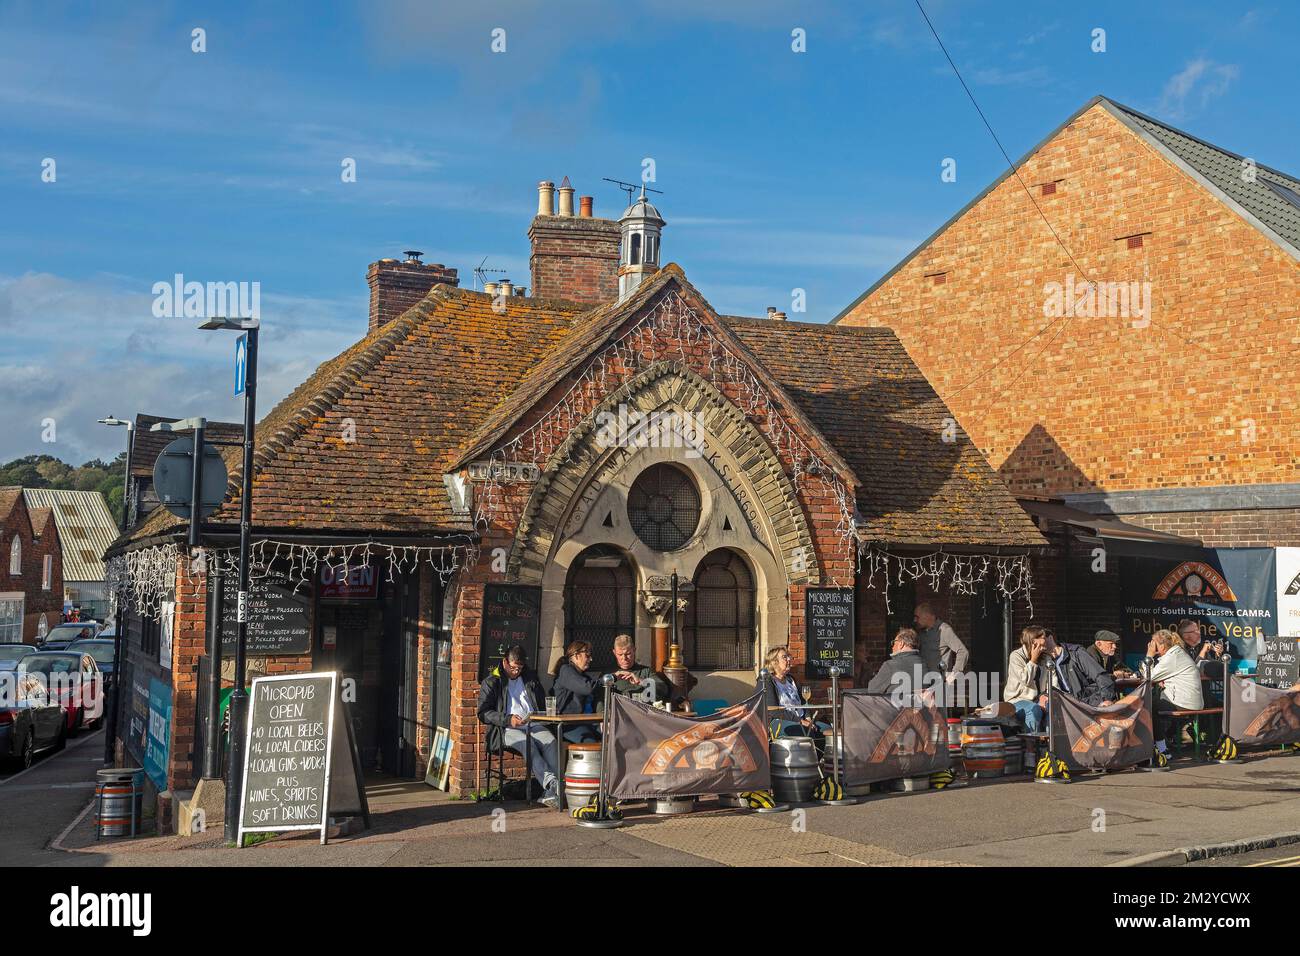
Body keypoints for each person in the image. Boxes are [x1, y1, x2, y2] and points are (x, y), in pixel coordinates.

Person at [476, 644, 560, 807]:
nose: (516, 672)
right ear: (505, 662)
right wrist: (508, 719)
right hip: (506, 728)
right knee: (528, 745)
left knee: (551, 741)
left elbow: (541, 701)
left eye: (520, 668)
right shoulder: (492, 681)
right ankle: (552, 784)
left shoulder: (529, 678)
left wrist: (546, 712)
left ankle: (552, 793)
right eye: (514, 668)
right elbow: (483, 713)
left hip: (532, 723)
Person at [1004, 626, 1116, 733]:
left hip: (1083, 701)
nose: (1043, 646)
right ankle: (1032, 749)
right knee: (1034, 710)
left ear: (1051, 638)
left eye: (1044, 640)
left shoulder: (1074, 654)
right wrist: (1033, 660)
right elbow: (1026, 680)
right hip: (1019, 700)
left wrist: (1105, 699)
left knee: (1052, 708)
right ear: (1032, 642)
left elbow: (1053, 683)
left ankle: (1049, 745)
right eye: (1040, 641)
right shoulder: (1018, 656)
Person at [1143, 628, 1204, 757]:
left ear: (1162, 645)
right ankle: (1162, 741)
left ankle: (1162, 749)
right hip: (1190, 701)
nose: (1151, 646)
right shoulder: (1177, 653)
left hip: (1185, 702)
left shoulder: (1172, 657)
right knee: (1154, 700)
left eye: (1153, 643)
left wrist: (1149, 655)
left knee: (1147, 706)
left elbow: (1148, 677)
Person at [758, 645, 830, 745]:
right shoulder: (767, 681)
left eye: (788, 657)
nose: (788, 659)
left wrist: (808, 718)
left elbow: (803, 702)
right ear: (774, 662)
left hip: (801, 720)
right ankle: (811, 759)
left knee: (828, 731)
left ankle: (824, 759)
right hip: (779, 721)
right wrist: (800, 721)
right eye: (784, 657)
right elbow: (773, 710)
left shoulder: (791, 680)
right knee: (804, 733)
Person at [551, 640, 601, 744]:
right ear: (576, 655)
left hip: (588, 722)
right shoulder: (566, 670)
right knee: (590, 742)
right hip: (569, 724)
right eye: (587, 655)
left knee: (612, 736)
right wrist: (609, 678)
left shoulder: (584, 676)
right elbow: (587, 688)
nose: (590, 659)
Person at [606, 634, 670, 702]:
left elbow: (663, 689)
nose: (624, 658)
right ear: (614, 652)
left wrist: (641, 681)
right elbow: (600, 701)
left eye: (628, 654)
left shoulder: (646, 671)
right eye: (620, 654)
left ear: (634, 650)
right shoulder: (609, 675)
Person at [914, 602, 970, 680]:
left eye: (917, 617)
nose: (915, 620)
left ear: (927, 615)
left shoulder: (944, 630)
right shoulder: (921, 633)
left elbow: (963, 651)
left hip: (940, 682)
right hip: (924, 681)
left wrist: (953, 675)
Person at [867, 628, 926, 699]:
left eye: (894, 642)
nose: (892, 647)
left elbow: (872, 690)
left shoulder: (891, 665)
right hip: (919, 708)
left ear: (901, 644)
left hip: (895, 708)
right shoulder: (924, 664)